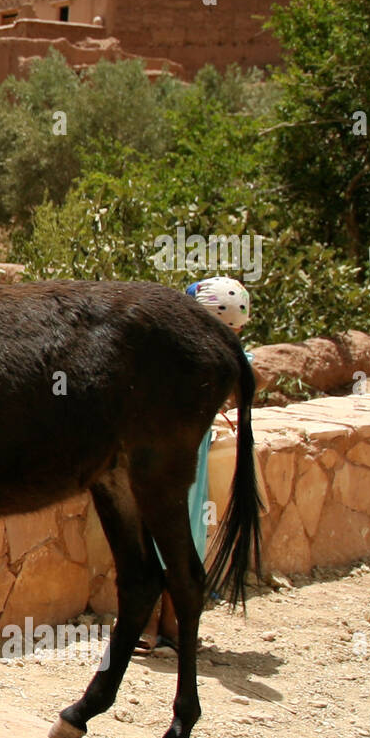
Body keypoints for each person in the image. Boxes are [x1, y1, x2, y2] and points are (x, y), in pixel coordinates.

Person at [135, 276, 254, 654]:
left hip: (161, 459)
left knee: (153, 532)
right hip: (195, 458)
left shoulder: (177, 354)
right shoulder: (227, 360)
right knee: (190, 533)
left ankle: (145, 627)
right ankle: (177, 628)